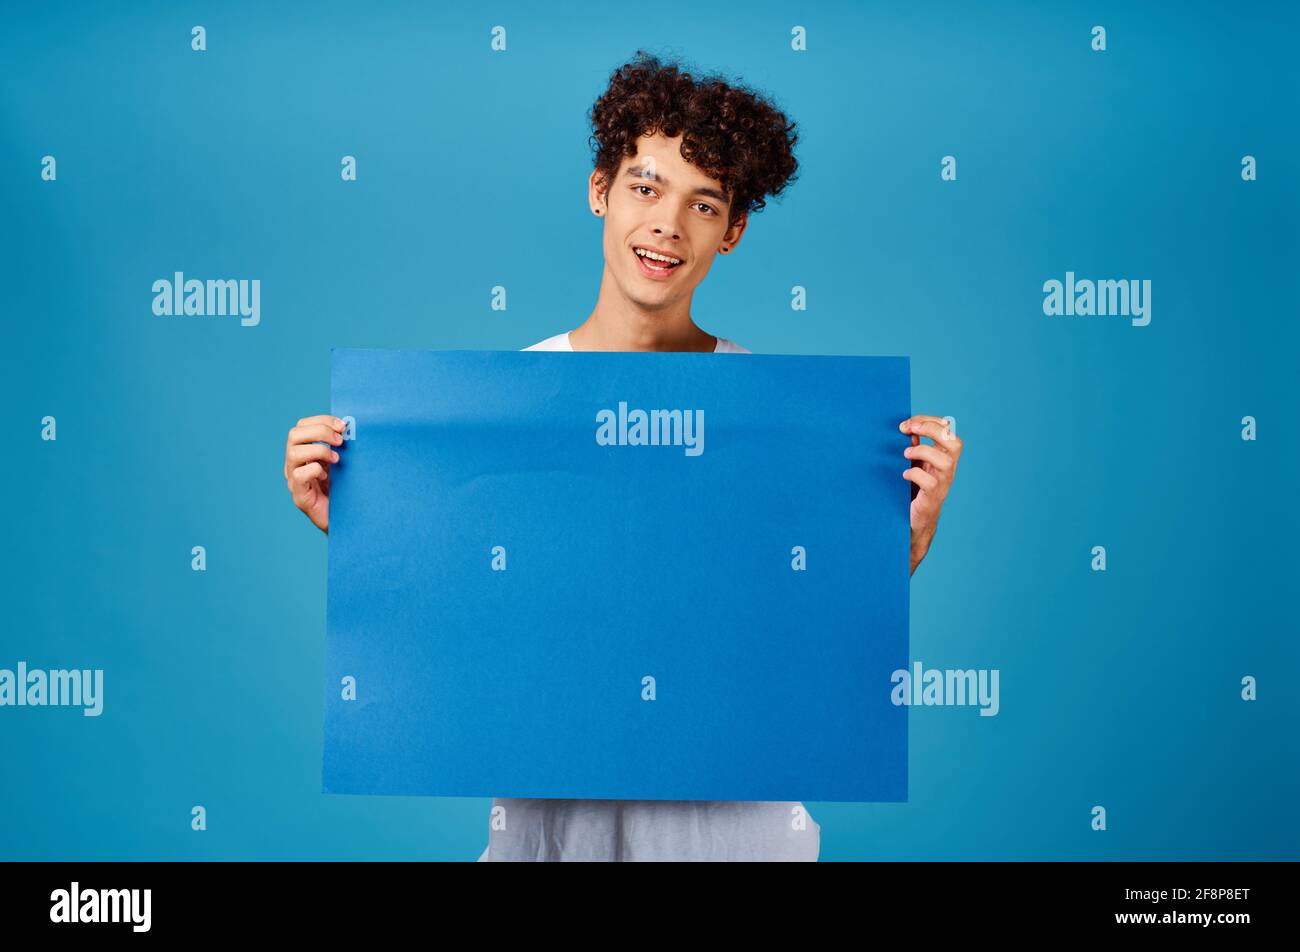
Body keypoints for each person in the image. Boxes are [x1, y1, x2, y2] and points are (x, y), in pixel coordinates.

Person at [283, 51, 963, 861]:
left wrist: (898, 548)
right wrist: (368, 525)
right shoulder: (499, 409)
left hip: (738, 837)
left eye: (703, 204)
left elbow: (802, 624)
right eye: (645, 187)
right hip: (551, 833)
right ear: (599, 190)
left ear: (734, 229)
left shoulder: (787, 424)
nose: (667, 225)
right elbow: (477, 605)